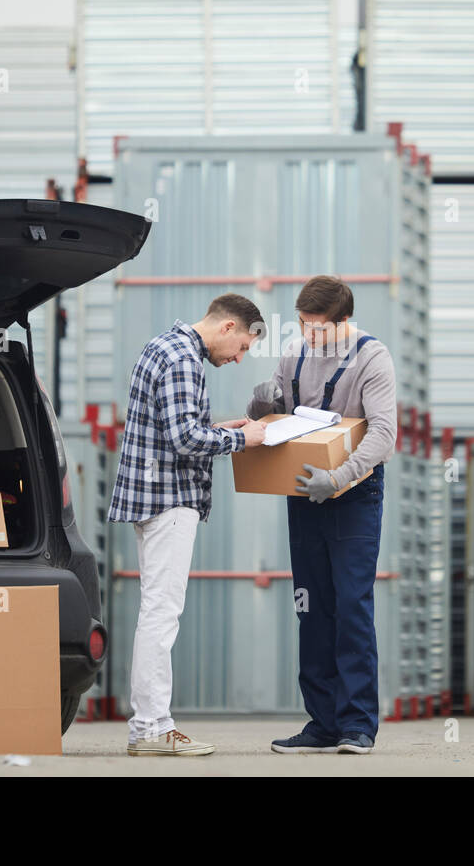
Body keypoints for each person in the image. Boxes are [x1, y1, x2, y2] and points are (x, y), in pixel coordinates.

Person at [108, 294, 267, 756]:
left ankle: (149, 726)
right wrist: (242, 437)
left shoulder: (165, 346)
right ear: (228, 326)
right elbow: (182, 439)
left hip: (153, 496)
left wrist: (222, 426)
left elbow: (172, 426)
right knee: (162, 613)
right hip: (170, 499)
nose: (237, 359)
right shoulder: (184, 360)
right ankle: (152, 727)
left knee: (156, 610)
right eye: (240, 348)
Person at [245, 275, 397, 755]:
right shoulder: (294, 353)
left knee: (351, 606)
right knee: (311, 606)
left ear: (343, 321)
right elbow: (276, 415)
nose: (309, 335)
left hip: (353, 493)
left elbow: (384, 434)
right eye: (304, 325)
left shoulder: (373, 358)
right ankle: (322, 724)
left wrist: (341, 477)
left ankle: (357, 725)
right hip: (304, 490)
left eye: (319, 328)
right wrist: (261, 402)